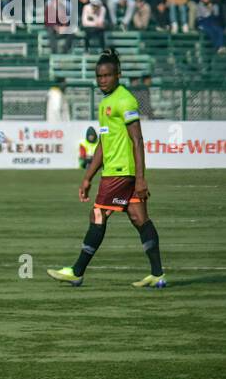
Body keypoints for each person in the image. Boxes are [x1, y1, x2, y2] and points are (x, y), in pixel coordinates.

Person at [48, 48, 167, 288]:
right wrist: (87, 177)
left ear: (118, 75)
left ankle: (77, 271)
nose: (102, 80)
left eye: (107, 75)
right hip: (118, 171)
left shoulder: (125, 100)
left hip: (120, 172)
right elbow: (103, 143)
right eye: (99, 76)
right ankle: (158, 274)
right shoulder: (105, 103)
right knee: (139, 218)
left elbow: (138, 140)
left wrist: (141, 178)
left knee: (98, 214)